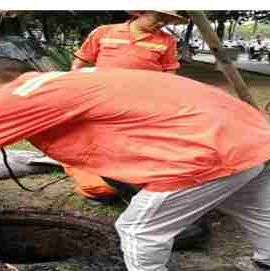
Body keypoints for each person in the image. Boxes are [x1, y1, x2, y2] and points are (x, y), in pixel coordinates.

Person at [0, 57, 270, 271]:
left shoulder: (15, 97)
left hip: (202, 152)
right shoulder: (73, 78)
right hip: (255, 137)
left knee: (138, 226)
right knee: (260, 210)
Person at [68, 11, 187, 204]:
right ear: (141, 12)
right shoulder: (104, 32)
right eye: (157, 18)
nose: (161, 24)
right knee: (96, 143)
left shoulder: (167, 41)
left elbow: (169, 73)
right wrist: (76, 88)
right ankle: (97, 188)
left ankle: (134, 186)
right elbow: (79, 64)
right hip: (101, 103)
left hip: (141, 105)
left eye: (166, 21)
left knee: (136, 145)